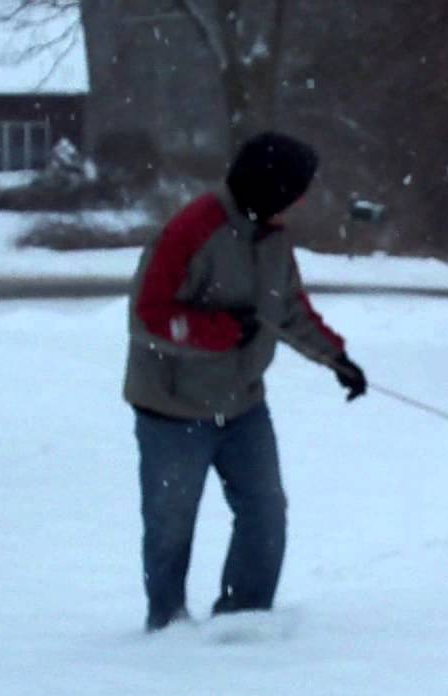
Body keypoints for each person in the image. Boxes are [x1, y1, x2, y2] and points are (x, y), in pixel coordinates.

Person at [122, 131, 368, 632]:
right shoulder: (193, 230)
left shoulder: (273, 235)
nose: (298, 204)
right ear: (267, 189)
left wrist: (336, 358)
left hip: (242, 406)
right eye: (294, 193)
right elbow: (149, 317)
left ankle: (244, 622)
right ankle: (166, 628)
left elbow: (289, 310)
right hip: (172, 409)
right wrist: (224, 331)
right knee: (171, 528)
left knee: (265, 515)